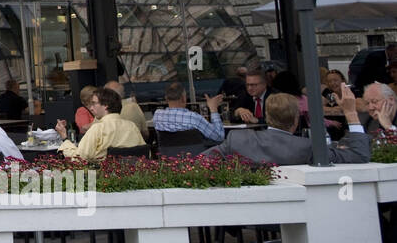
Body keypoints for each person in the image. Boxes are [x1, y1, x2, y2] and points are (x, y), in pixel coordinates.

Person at [204, 91, 371, 165]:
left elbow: (197, 162)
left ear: (267, 117)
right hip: (298, 213)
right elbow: (358, 155)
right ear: (296, 120)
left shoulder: (238, 140)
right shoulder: (307, 148)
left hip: (251, 214)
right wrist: (350, 113)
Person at [55, 86, 145, 162]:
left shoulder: (98, 128)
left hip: (103, 178)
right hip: (132, 177)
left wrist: (64, 137)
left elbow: (79, 158)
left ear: (105, 105)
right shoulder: (132, 127)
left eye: (94, 103)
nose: (91, 108)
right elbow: (144, 153)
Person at [152, 82, 226, 143]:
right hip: (195, 157)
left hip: (168, 158)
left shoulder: (158, 115)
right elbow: (219, 137)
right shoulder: (193, 117)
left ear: (166, 99)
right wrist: (213, 109)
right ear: (184, 98)